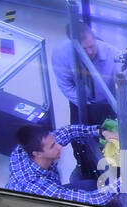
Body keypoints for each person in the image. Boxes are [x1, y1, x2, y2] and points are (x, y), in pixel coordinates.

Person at [51, 24, 119, 180]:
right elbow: (65, 85)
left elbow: (125, 79)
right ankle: (83, 167)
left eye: (91, 46)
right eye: (84, 49)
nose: (90, 52)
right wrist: (85, 103)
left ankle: (108, 170)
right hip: (79, 102)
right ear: (73, 45)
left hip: (107, 102)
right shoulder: (61, 55)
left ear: (95, 39)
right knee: (79, 139)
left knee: (110, 138)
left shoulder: (111, 54)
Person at [7, 124, 119, 206]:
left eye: (55, 141)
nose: (59, 146)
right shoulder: (36, 187)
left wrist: (101, 132)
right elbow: (94, 200)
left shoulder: (25, 149)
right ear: (37, 154)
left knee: (90, 185)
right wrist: (126, 179)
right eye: (52, 146)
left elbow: (68, 132)